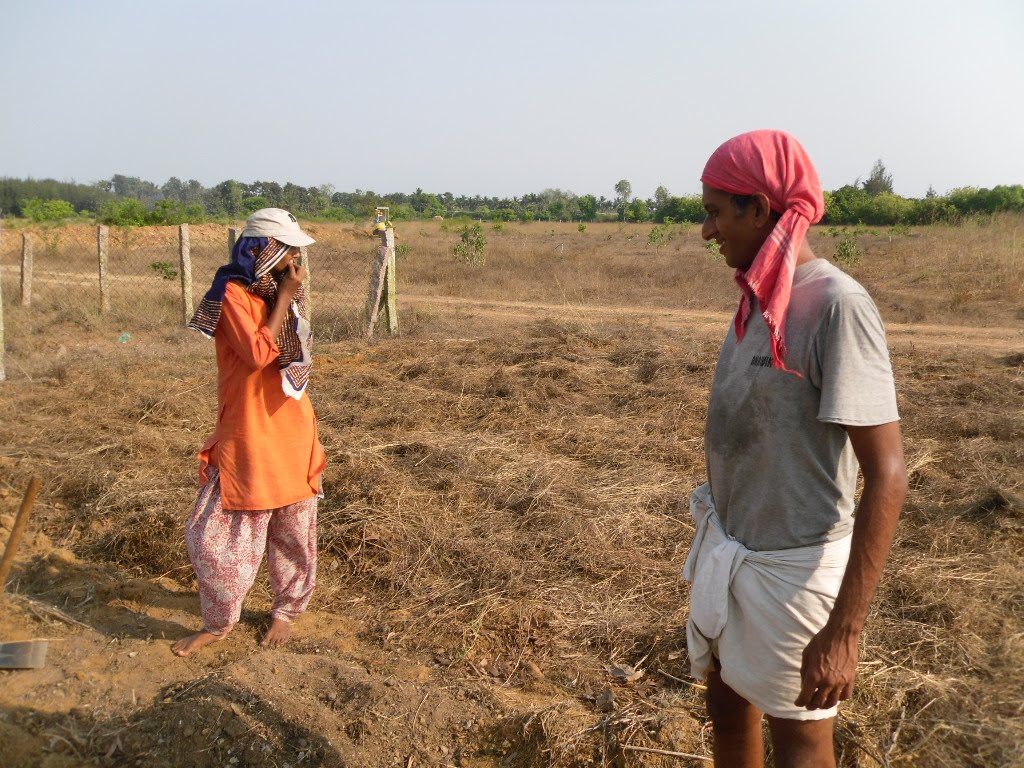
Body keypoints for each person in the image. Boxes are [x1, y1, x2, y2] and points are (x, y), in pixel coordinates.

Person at [684, 131, 908, 767]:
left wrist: (844, 632)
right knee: (727, 708)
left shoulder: (837, 306)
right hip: (735, 553)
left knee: (802, 742)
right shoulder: (760, 299)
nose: (706, 231)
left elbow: (887, 476)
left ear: (760, 209)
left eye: (716, 212)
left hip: (794, 572)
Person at [172, 208, 327, 657]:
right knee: (214, 539)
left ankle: (287, 610)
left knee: (294, 531)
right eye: (288, 248)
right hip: (249, 429)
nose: (296, 257)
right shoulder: (234, 295)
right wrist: (286, 298)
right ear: (261, 250)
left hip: (291, 426)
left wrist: (287, 296)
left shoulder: (280, 293)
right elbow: (259, 354)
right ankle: (220, 622)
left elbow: (294, 360)